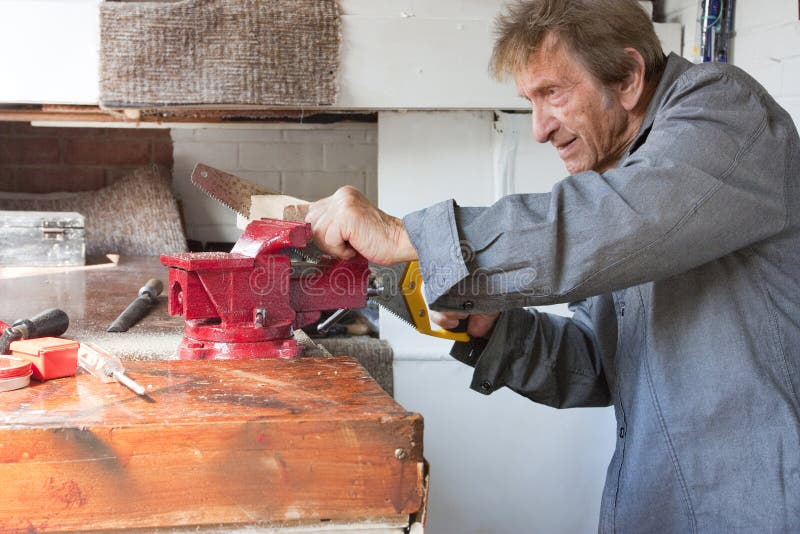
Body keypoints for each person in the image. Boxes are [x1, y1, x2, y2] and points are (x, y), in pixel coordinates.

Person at [305, 0, 800, 530]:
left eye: (552, 94)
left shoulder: (724, 112)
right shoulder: (618, 180)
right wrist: (494, 329)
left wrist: (406, 236)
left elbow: (610, 222)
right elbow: (596, 366)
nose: (539, 129)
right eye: (529, 100)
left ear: (630, 77)